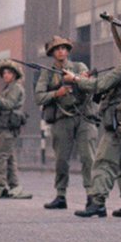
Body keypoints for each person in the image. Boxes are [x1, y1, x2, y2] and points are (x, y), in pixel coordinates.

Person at [72, 36, 121, 219]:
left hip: (117, 125)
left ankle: (97, 203)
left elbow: (100, 85)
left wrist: (77, 80)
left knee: (104, 162)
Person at [34, 35, 93, 211]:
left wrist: (77, 79)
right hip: (62, 118)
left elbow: (92, 86)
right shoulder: (48, 72)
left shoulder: (79, 67)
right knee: (61, 160)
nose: (61, 51)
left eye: (64, 48)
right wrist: (56, 93)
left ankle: (92, 196)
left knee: (88, 157)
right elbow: (38, 97)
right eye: (57, 49)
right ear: (52, 53)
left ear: (68, 51)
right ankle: (60, 195)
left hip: (83, 117)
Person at [0, 62, 32, 199]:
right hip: (5, 126)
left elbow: (8, 104)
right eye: (4, 73)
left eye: (9, 73)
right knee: (9, 158)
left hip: (9, 127)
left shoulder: (16, 88)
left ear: (15, 74)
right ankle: (14, 186)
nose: (5, 75)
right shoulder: (9, 88)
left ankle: (0, 187)